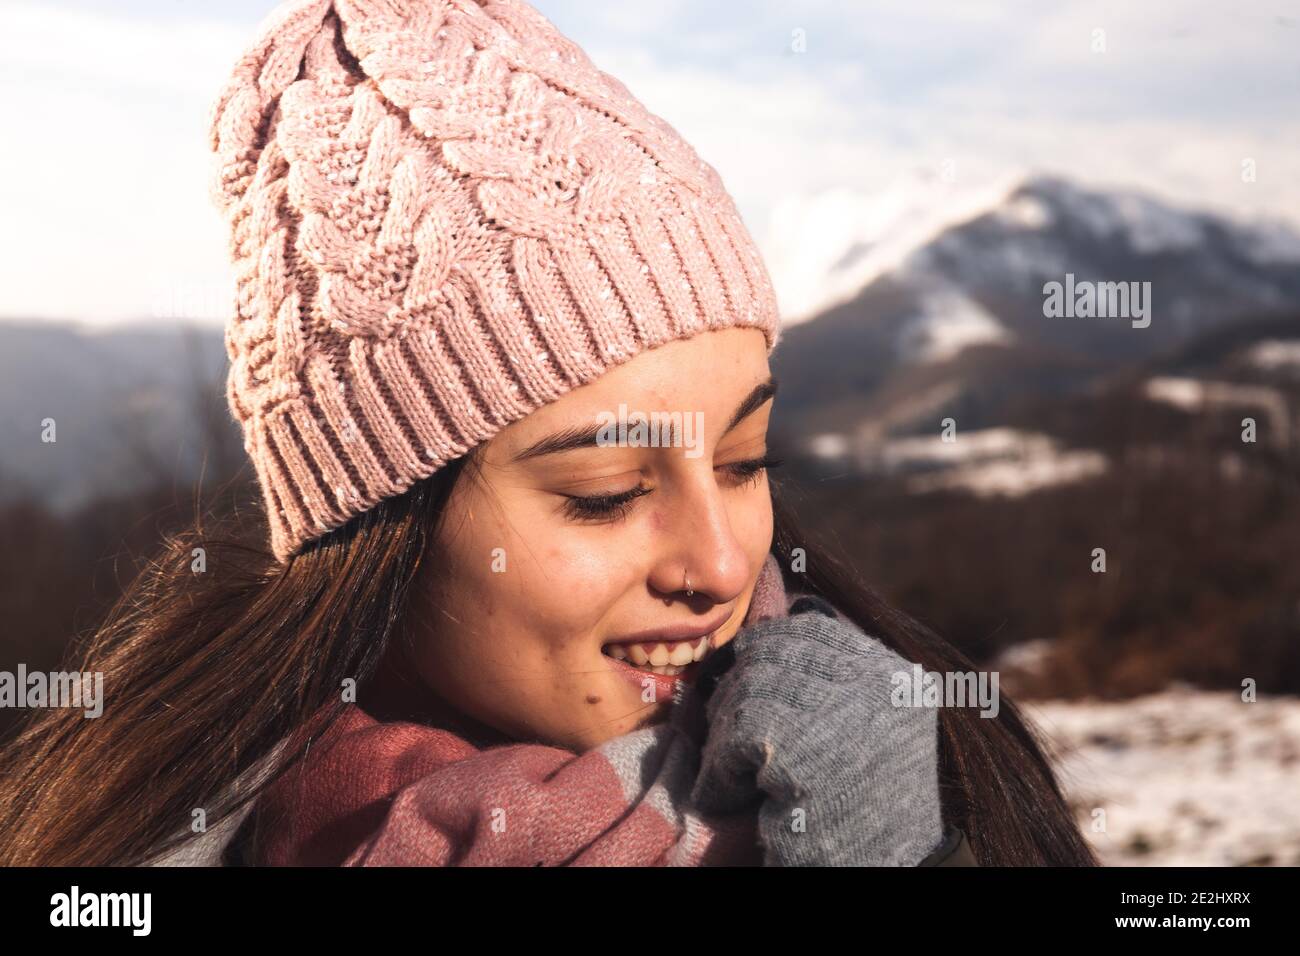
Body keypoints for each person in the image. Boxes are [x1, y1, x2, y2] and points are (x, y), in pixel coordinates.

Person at [0, 0, 1094, 867]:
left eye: (744, 460)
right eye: (608, 491)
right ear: (377, 529)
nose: (721, 562)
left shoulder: (913, 754)